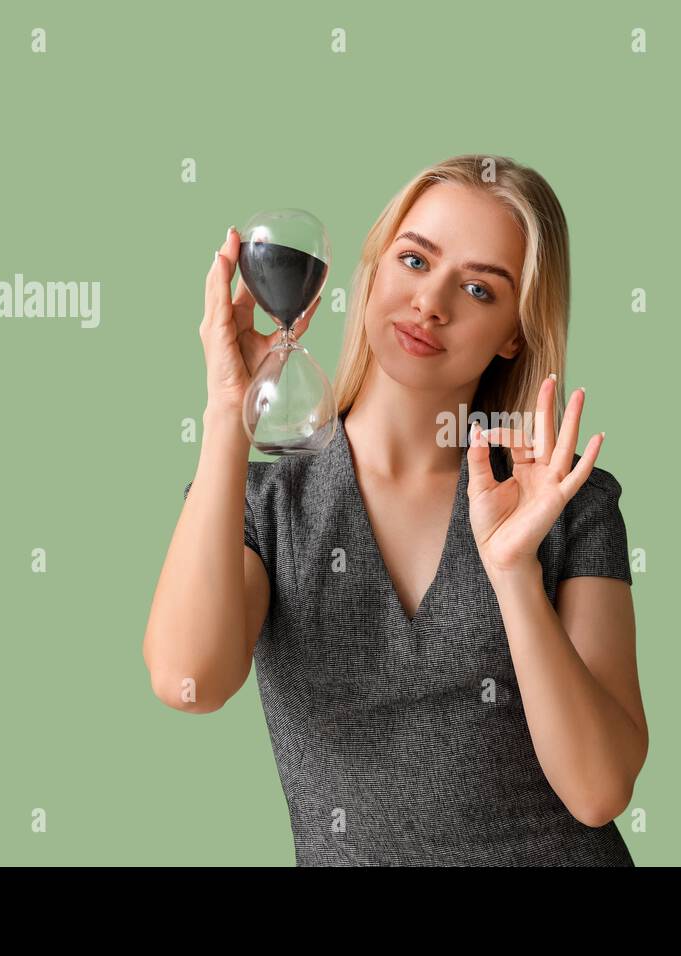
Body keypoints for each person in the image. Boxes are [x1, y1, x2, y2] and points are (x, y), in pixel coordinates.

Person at [144, 154, 648, 866]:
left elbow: (598, 792)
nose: (431, 302)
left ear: (514, 332)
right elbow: (186, 681)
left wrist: (511, 573)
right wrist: (230, 411)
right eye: (415, 260)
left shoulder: (566, 504)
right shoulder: (263, 503)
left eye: (478, 287)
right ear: (375, 268)